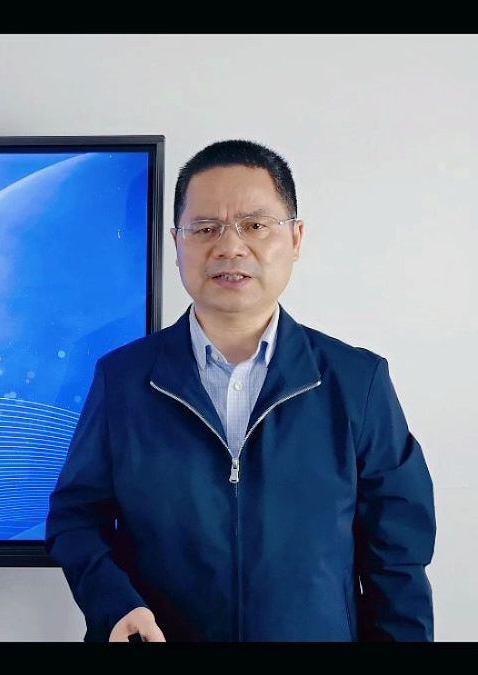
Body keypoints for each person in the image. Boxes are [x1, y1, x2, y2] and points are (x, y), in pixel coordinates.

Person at [45, 139, 435, 642]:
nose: (230, 247)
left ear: (295, 238)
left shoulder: (357, 382)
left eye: (254, 225)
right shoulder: (123, 379)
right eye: (206, 228)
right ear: (177, 243)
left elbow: (398, 557)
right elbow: (76, 518)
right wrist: (115, 605)